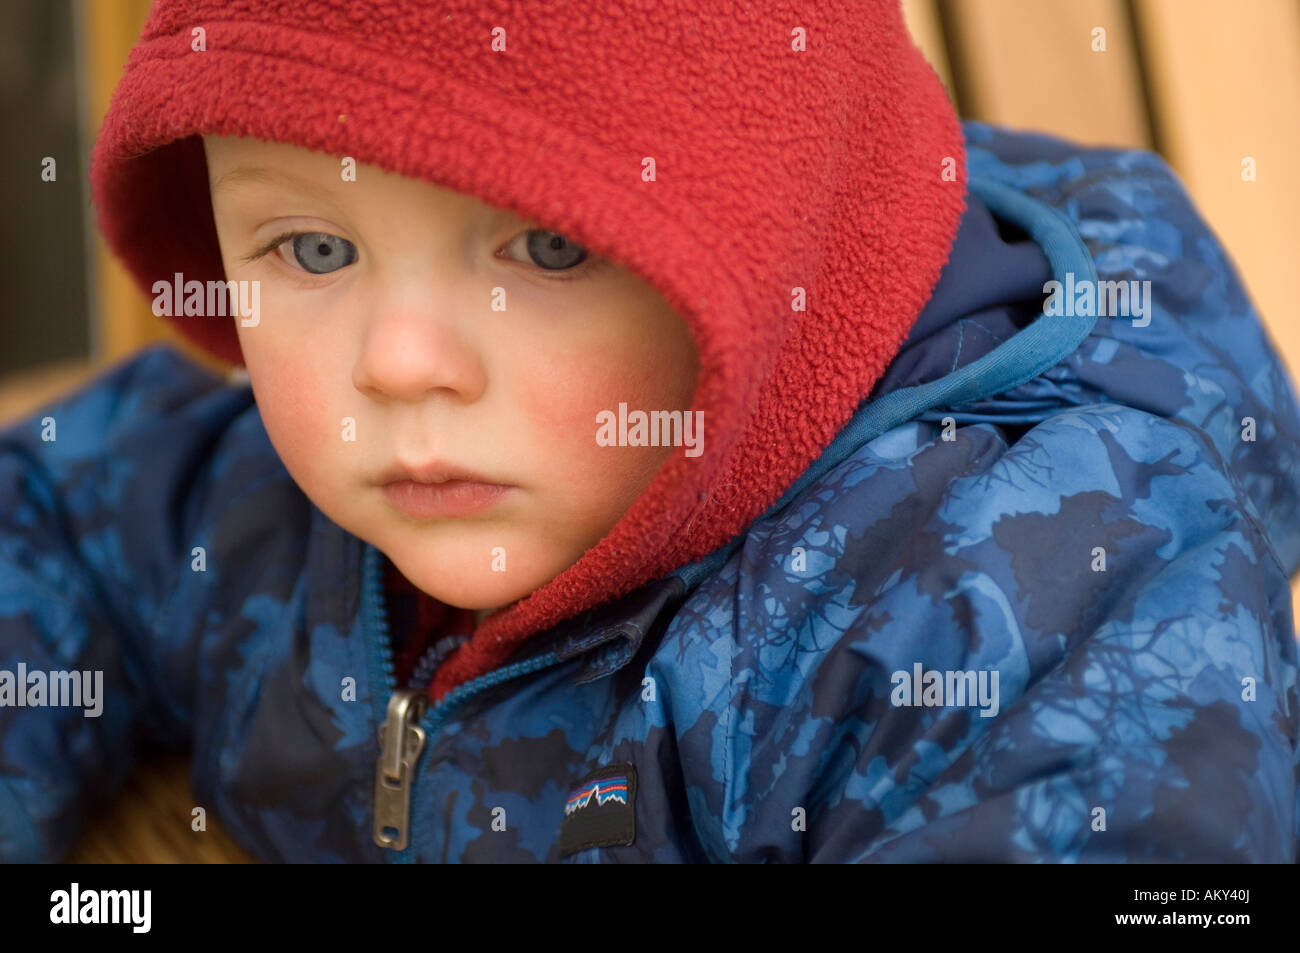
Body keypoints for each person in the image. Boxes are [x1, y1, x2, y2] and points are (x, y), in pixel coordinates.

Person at [1, 0, 1297, 863]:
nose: (399, 365)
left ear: (766, 246)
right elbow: (49, 512)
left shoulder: (1008, 615)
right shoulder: (252, 512)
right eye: (316, 247)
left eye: (551, 242)